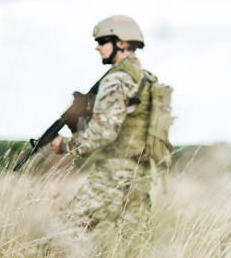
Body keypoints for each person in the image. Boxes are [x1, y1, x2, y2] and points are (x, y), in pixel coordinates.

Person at [50, 15, 157, 234]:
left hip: (113, 172)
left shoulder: (116, 79)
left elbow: (103, 133)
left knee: (67, 235)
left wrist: (65, 145)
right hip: (141, 172)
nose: (97, 48)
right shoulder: (144, 78)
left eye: (102, 42)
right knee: (131, 243)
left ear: (122, 43)